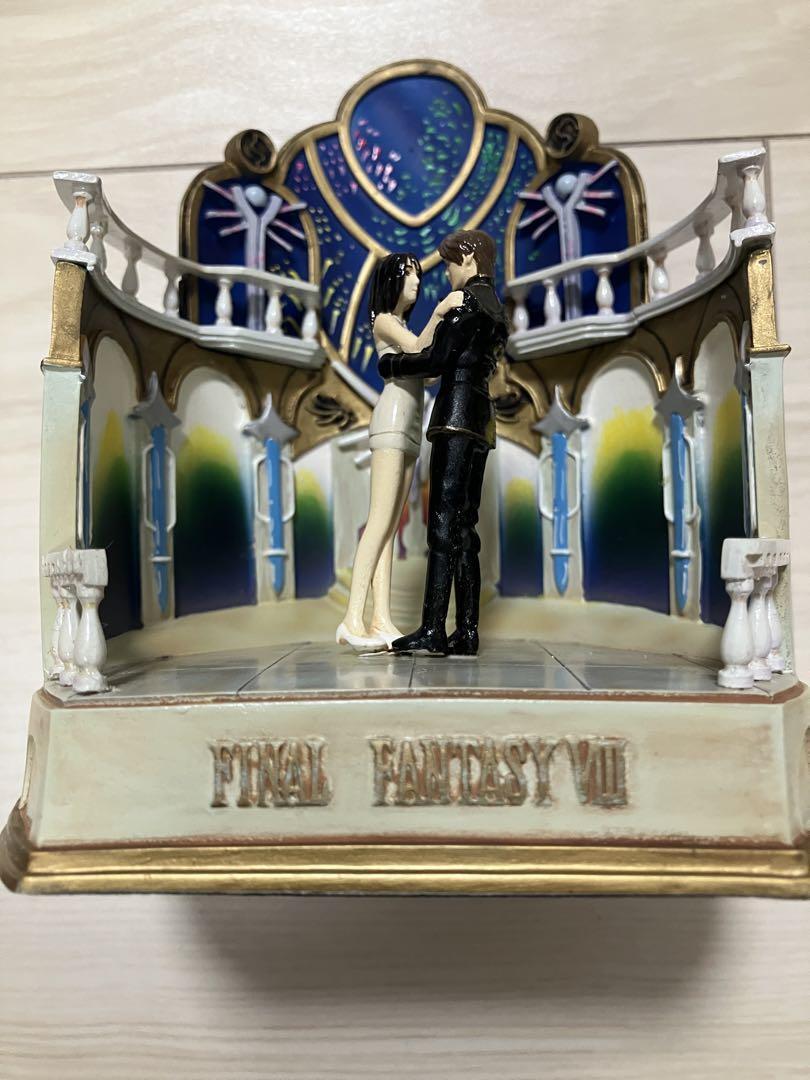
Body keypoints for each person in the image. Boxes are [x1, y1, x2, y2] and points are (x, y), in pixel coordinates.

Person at [377, 230, 509, 657]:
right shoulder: (496, 308)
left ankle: (433, 628)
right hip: (482, 421)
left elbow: (434, 359)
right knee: (465, 529)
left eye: (451, 263)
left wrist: (391, 364)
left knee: (442, 525)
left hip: (455, 418)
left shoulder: (464, 304)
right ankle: (467, 631)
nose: (448, 271)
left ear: (468, 258)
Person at [336, 252, 463, 650]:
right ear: (391, 279)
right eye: (409, 275)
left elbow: (425, 369)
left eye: (418, 275)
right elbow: (420, 346)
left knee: (391, 527)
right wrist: (441, 311)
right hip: (391, 421)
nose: (416, 283)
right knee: (379, 522)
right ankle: (351, 619)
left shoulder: (401, 325)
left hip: (408, 425)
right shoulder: (385, 322)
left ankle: (381, 620)